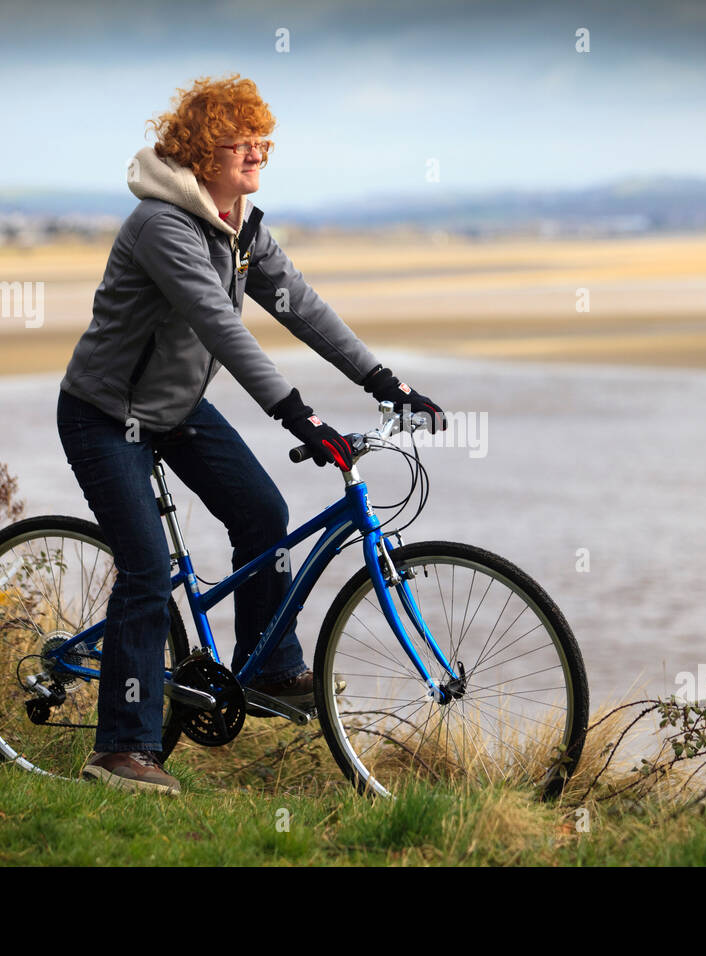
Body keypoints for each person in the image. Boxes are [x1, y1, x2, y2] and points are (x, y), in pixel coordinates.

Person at [57, 74, 446, 795]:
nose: (256, 150)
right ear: (202, 152)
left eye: (263, 139)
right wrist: (296, 413)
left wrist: (383, 380)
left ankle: (266, 667)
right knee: (146, 569)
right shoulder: (161, 227)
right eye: (241, 140)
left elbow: (305, 309)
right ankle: (120, 750)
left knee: (263, 513)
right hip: (105, 414)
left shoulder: (241, 228)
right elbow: (220, 326)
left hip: (173, 409)